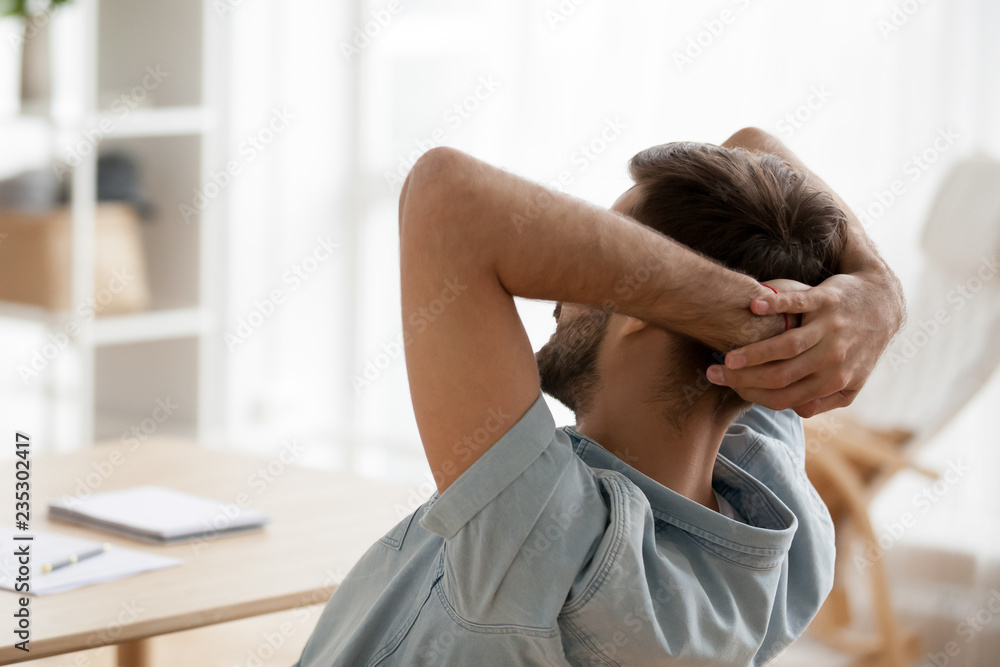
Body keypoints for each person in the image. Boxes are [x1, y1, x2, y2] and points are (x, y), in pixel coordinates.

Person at [292, 127, 905, 666]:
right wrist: (879, 290)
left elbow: (446, 194)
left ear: (646, 310)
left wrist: (725, 308)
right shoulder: (775, 512)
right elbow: (754, 147)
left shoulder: (559, 547)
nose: (562, 291)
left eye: (613, 264)